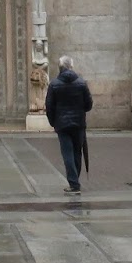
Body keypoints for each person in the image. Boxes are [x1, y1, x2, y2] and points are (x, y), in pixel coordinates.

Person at [44, 55, 93, 194]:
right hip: (78, 124)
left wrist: (53, 122)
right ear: (71, 67)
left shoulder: (54, 84)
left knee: (67, 154)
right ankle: (74, 181)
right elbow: (88, 104)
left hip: (62, 125)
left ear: (59, 68)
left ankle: (73, 183)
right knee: (77, 152)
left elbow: (49, 106)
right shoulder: (81, 83)